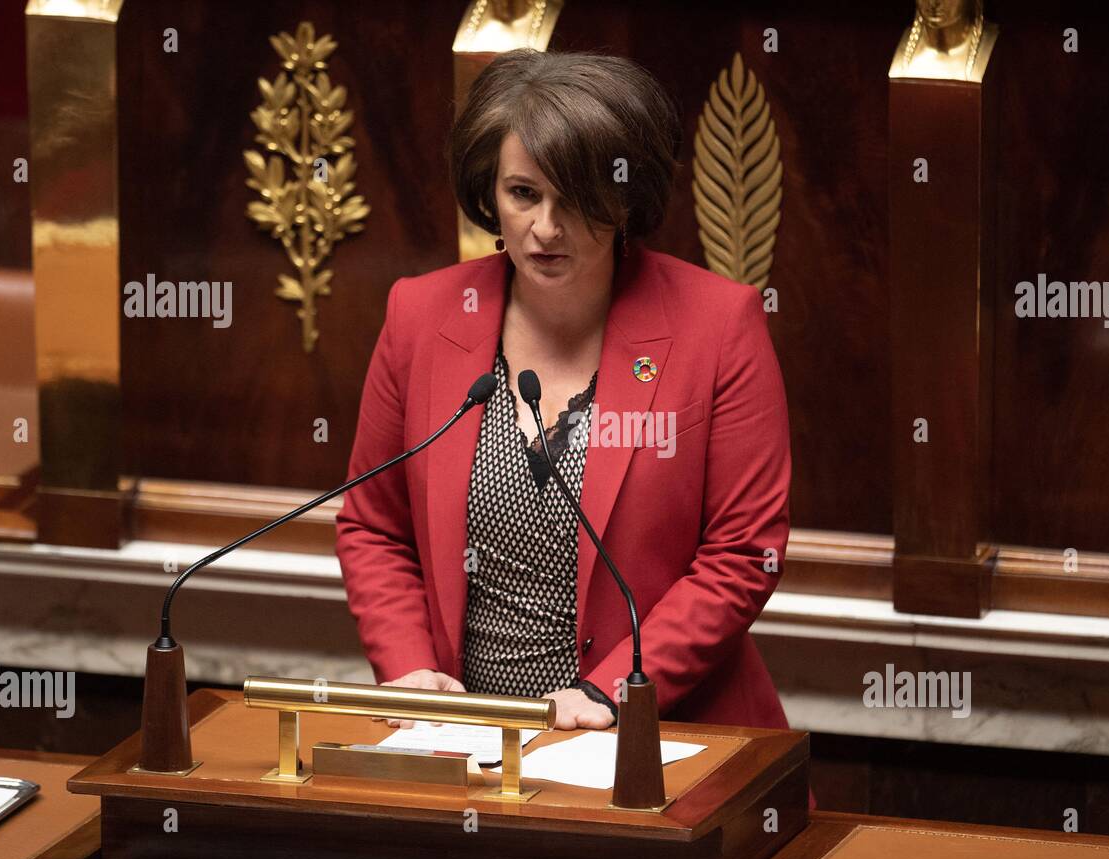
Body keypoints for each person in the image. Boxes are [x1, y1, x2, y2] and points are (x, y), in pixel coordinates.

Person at [335, 48, 792, 738]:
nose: (545, 228)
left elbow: (742, 552)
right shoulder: (421, 316)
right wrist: (407, 670)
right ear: (490, 190)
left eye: (576, 199)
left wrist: (616, 690)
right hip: (468, 743)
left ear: (626, 198)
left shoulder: (717, 326)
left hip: (660, 736)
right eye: (524, 194)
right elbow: (374, 525)